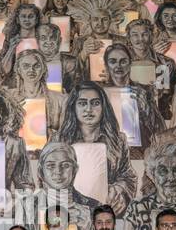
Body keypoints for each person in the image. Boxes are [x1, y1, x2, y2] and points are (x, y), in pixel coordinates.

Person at [55, 82, 139, 214]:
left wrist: (119, 190)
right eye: (82, 103)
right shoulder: (58, 140)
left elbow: (128, 175)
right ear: (73, 107)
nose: (89, 109)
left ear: (103, 107)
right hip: (69, 210)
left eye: (95, 103)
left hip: (106, 210)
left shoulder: (118, 140)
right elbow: (45, 176)